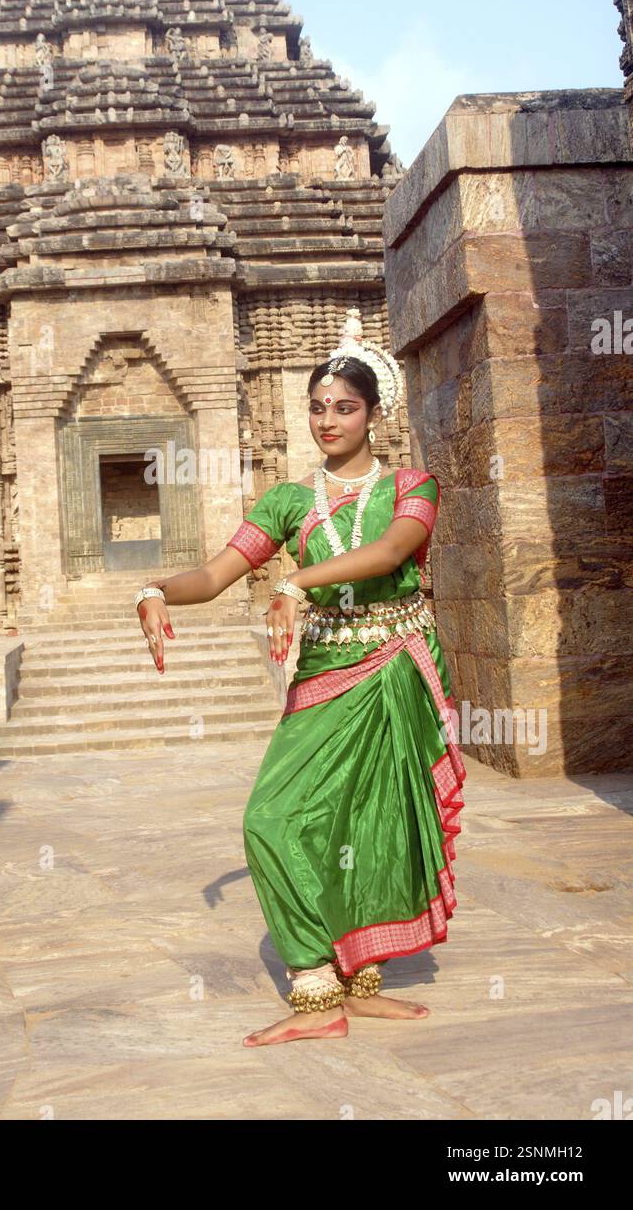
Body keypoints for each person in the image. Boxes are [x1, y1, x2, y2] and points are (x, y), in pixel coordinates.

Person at [133, 308, 465, 1048]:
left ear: (374, 415)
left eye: (344, 407)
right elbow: (219, 573)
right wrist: (154, 590)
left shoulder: (414, 485)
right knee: (272, 818)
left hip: (394, 667)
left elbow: (390, 554)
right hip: (324, 675)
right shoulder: (288, 501)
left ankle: (357, 983)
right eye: (317, 407)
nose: (327, 419)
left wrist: (299, 583)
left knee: (372, 823)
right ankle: (314, 985)